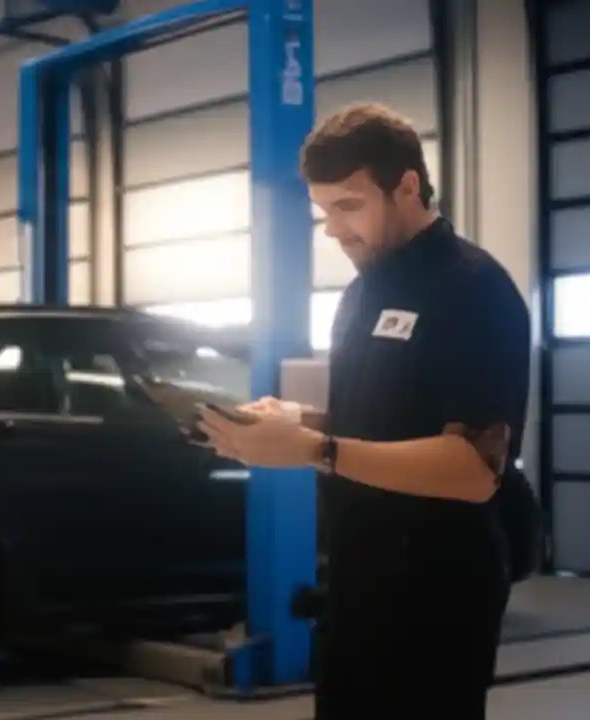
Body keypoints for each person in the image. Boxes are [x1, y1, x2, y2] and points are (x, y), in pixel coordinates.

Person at [196, 102, 530, 719]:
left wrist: (317, 451)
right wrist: (297, 420)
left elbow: (473, 468)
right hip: (357, 582)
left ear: (406, 186)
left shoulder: (473, 290)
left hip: (436, 596)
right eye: (324, 211)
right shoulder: (362, 291)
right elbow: (378, 414)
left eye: (349, 206)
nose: (334, 229)